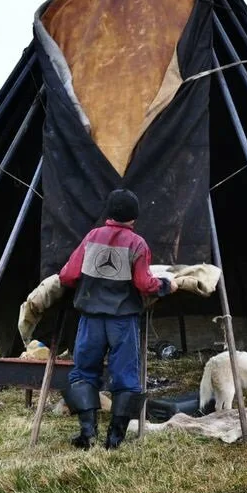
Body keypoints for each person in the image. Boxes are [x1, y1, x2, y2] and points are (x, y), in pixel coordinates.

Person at [58, 189, 179, 450]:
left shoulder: (91, 238)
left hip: (90, 319)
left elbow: (67, 276)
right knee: (125, 377)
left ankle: (87, 434)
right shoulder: (137, 244)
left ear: (109, 213)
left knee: (83, 373)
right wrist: (166, 286)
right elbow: (144, 284)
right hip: (122, 321)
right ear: (134, 217)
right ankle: (115, 439)